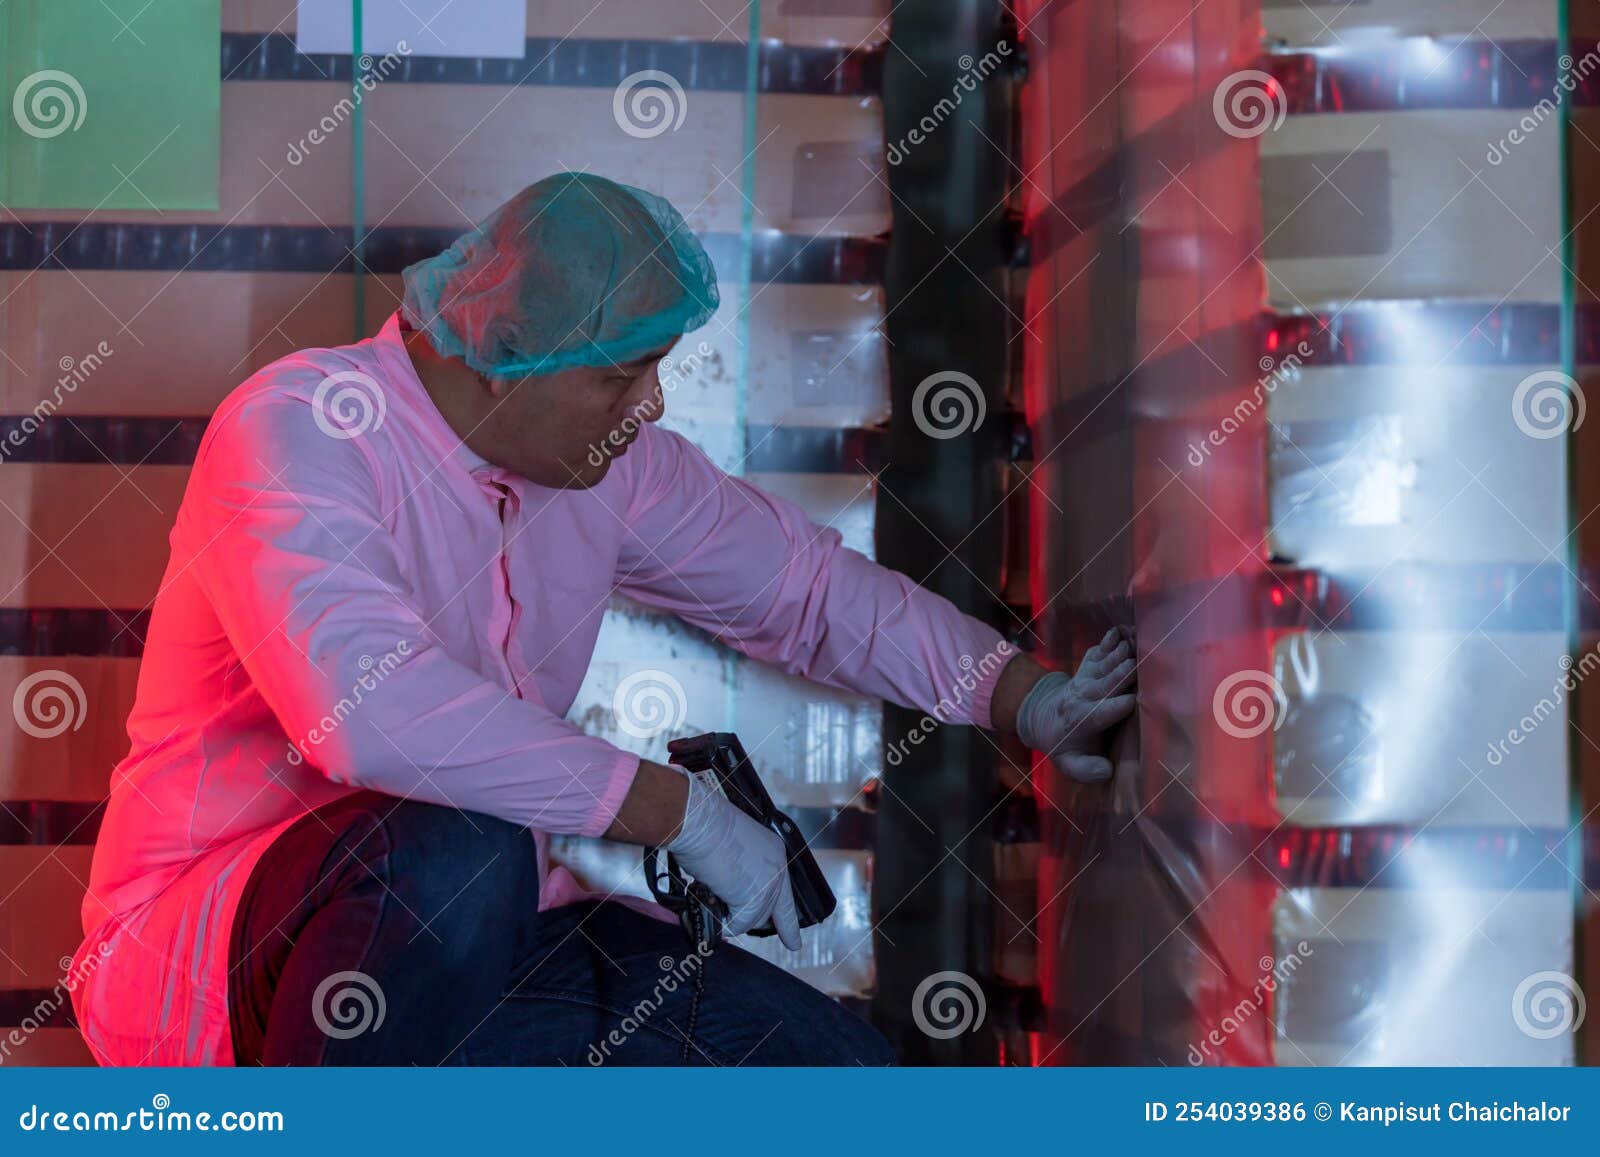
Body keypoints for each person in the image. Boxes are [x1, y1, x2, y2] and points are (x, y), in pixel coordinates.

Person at [70, 173, 1136, 1067]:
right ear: (502, 355)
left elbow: (807, 593)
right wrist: (679, 812)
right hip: (215, 970)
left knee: (836, 1077)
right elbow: (371, 715)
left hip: (485, 943)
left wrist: (1026, 696)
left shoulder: (598, 471)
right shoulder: (301, 429)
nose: (654, 406)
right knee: (458, 845)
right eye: (623, 374)